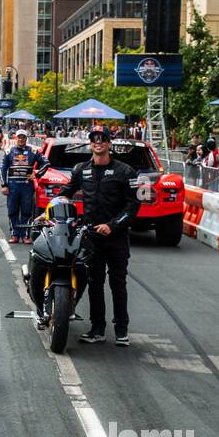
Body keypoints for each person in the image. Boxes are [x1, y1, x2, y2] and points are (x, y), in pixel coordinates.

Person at [56, 127, 139, 346]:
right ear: (90, 144)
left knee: (118, 284)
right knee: (95, 283)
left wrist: (112, 226)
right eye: (94, 140)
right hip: (92, 237)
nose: (98, 143)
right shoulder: (81, 170)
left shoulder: (126, 171)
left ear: (110, 144)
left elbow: (133, 206)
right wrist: (60, 202)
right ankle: (97, 329)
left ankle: (121, 330)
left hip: (117, 237)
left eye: (103, 139)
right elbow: (65, 192)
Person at [0, 128, 43, 244]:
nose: (21, 139)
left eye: (23, 137)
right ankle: (15, 234)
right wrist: (4, 185)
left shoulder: (33, 151)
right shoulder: (9, 151)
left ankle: (25, 235)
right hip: (12, 186)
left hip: (27, 187)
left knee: (26, 211)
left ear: (26, 139)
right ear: (16, 138)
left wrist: (37, 173)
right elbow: (2, 169)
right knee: (12, 211)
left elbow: (46, 163)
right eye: (19, 137)